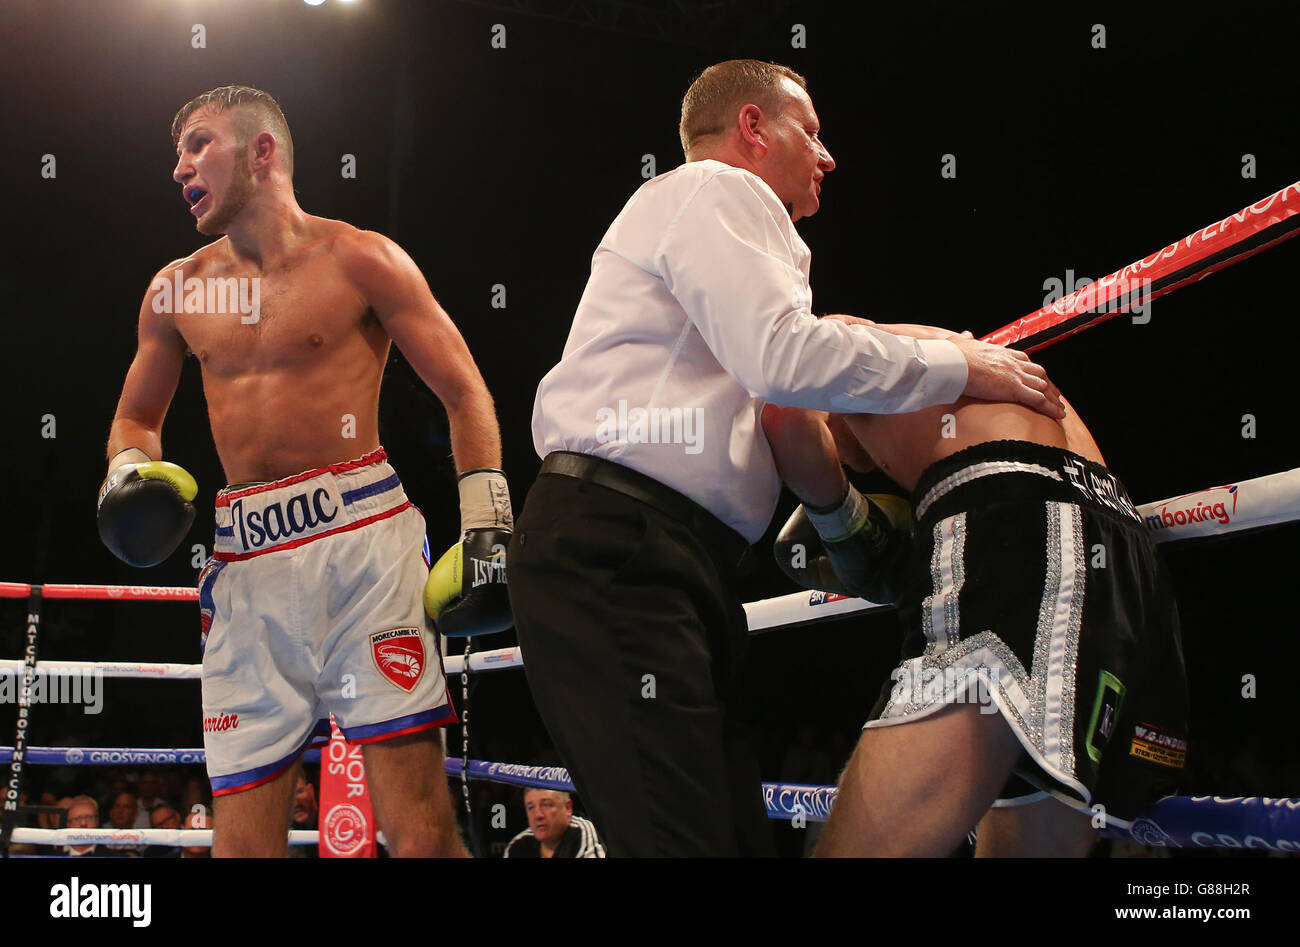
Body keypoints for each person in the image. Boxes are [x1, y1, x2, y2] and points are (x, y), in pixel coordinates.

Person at [508, 59, 1064, 856]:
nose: (828, 154)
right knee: (685, 840)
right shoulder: (718, 191)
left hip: (661, 559)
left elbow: (780, 411)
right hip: (619, 547)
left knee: (726, 835)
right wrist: (963, 365)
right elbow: (785, 359)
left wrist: (844, 522)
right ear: (752, 129)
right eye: (810, 129)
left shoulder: (713, 233)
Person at [99, 85, 514, 857]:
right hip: (247, 565)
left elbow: (464, 390)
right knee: (243, 845)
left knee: (418, 829)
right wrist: (128, 470)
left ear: (264, 152)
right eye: (177, 153)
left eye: (198, 145)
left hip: (365, 548)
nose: (179, 167)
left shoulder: (362, 258)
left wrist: (489, 522)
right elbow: (136, 419)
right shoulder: (176, 288)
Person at [760, 318, 1189, 856]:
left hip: (1014, 518)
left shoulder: (839, 338)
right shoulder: (968, 357)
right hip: (1114, 540)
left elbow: (786, 419)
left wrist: (841, 523)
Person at [503, 789, 605, 858]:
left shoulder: (582, 831)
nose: (538, 815)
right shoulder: (518, 845)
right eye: (531, 808)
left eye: (546, 805)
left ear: (568, 808)